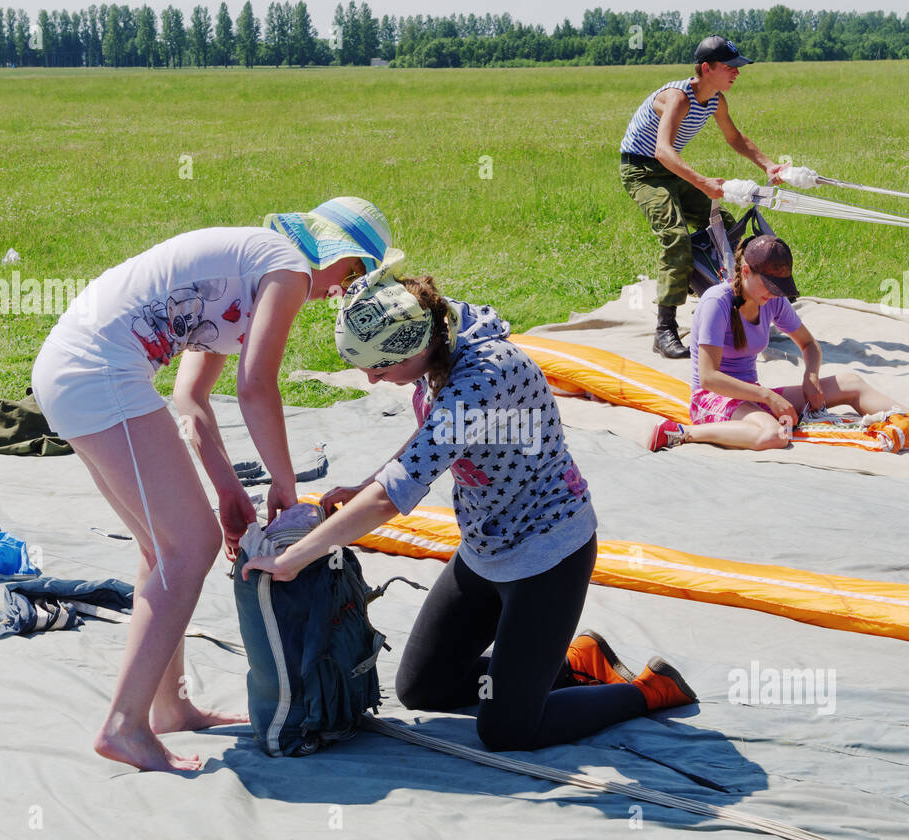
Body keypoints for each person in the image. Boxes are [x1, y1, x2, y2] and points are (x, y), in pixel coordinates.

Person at [242, 249, 697, 752]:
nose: (371, 380)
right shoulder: (435, 329)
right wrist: (365, 481)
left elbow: (389, 501)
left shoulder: (483, 378)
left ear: (415, 350)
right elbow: (424, 445)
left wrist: (297, 557)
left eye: (379, 368)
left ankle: (647, 692)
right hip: (485, 548)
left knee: (508, 730)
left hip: (547, 556)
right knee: (422, 688)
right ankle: (573, 662)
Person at [30, 197, 392, 772]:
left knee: (163, 547)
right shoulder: (288, 269)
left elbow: (192, 398)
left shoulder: (248, 271)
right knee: (190, 547)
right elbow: (256, 387)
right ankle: (123, 726)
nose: (343, 291)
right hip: (97, 372)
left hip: (75, 370)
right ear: (336, 253)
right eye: (353, 274)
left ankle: (168, 707)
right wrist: (283, 484)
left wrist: (227, 489)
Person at [647, 234, 909, 452]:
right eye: (768, 288)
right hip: (714, 400)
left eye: (778, 290)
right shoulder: (717, 302)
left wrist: (812, 376)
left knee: (850, 382)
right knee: (772, 437)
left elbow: (810, 346)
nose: (774, 297)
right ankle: (683, 434)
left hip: (751, 394)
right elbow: (709, 378)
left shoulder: (774, 302)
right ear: (745, 272)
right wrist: (769, 397)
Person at [620, 34, 789, 361]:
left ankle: (736, 301)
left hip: (669, 169)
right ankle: (664, 329)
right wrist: (703, 182)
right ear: (706, 68)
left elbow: (735, 137)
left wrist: (769, 165)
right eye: (730, 67)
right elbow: (663, 150)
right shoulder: (677, 98)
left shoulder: (716, 100)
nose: (737, 73)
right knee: (677, 238)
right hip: (642, 170)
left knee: (725, 227)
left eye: (738, 67)